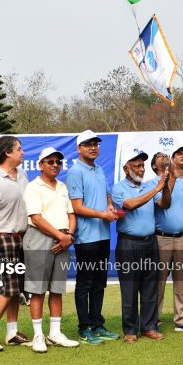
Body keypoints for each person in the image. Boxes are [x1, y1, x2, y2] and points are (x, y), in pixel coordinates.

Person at [23, 147, 81, 353]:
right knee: (38, 291)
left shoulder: (63, 187)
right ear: (40, 165)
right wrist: (61, 237)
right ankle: (38, 335)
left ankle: (55, 334)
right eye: (50, 162)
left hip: (63, 240)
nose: (55, 165)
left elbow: (71, 214)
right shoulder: (33, 187)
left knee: (57, 289)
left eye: (58, 162)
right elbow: (36, 218)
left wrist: (69, 236)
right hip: (40, 239)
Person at [67, 130, 121, 343]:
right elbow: (77, 207)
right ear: (79, 148)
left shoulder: (99, 169)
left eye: (96, 144)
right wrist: (102, 214)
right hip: (86, 238)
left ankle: (97, 324)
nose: (93, 147)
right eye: (88, 144)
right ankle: (84, 328)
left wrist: (109, 204)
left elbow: (106, 193)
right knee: (85, 284)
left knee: (100, 283)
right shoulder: (75, 172)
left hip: (103, 236)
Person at [0, 135, 31, 352]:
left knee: (17, 287)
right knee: (10, 287)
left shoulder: (23, 174)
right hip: (4, 238)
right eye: (18, 149)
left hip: (23, 237)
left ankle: (12, 332)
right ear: (7, 152)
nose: (22, 152)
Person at [112, 151, 167, 343]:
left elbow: (163, 203)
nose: (141, 169)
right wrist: (157, 187)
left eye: (143, 166)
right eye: (136, 166)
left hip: (150, 242)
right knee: (129, 287)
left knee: (150, 287)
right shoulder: (119, 188)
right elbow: (131, 204)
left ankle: (149, 327)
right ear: (126, 168)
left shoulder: (149, 186)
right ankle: (130, 330)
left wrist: (167, 186)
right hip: (129, 243)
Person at [154, 148, 183, 333]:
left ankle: (181, 319)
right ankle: (153, 319)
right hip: (161, 238)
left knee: (181, 280)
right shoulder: (153, 183)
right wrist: (170, 179)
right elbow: (165, 203)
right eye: (177, 154)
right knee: (159, 281)